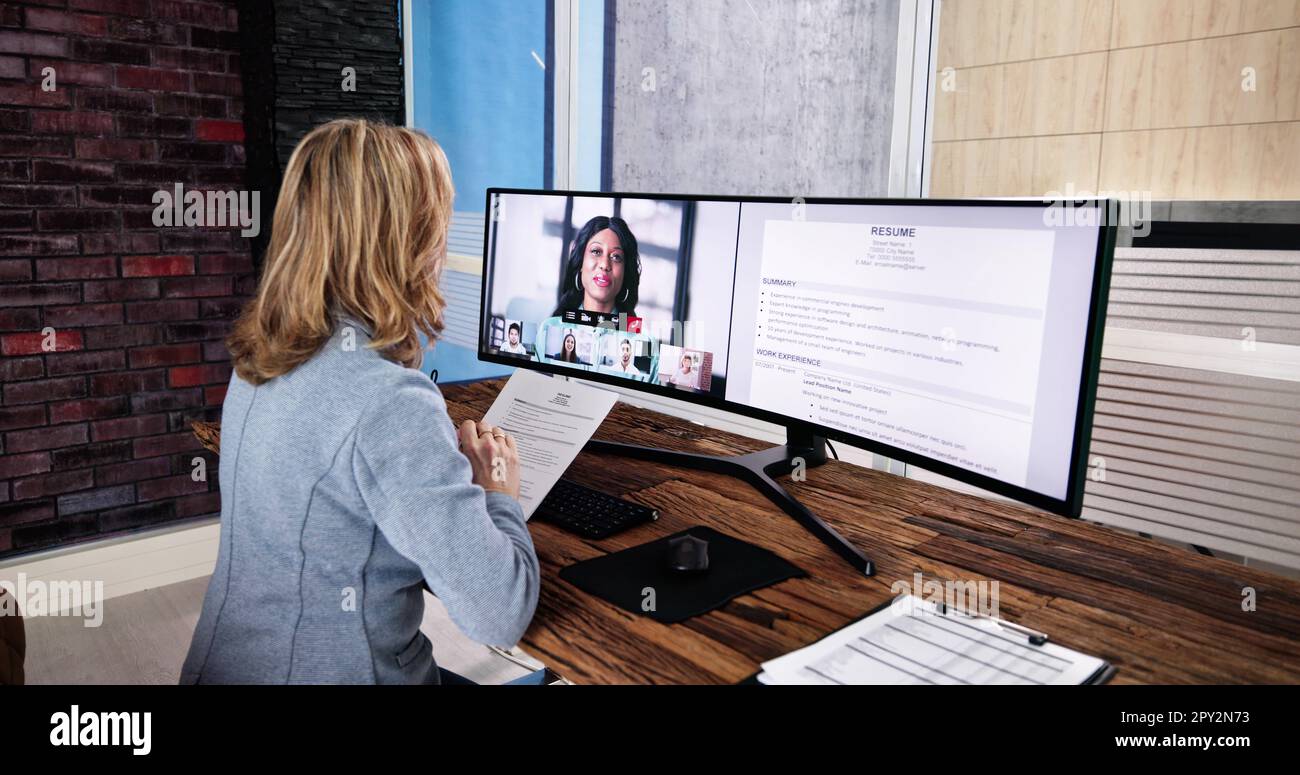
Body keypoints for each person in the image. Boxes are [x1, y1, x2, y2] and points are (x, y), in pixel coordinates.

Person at [180, 119, 539, 685]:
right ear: (407, 238)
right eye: (439, 221)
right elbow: (499, 612)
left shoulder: (260, 358)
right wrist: (497, 494)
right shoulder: (388, 402)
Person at [551, 215, 641, 317]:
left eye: (616, 257)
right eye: (596, 252)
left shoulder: (637, 332)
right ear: (580, 262)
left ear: (625, 272)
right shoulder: (551, 328)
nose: (604, 265)